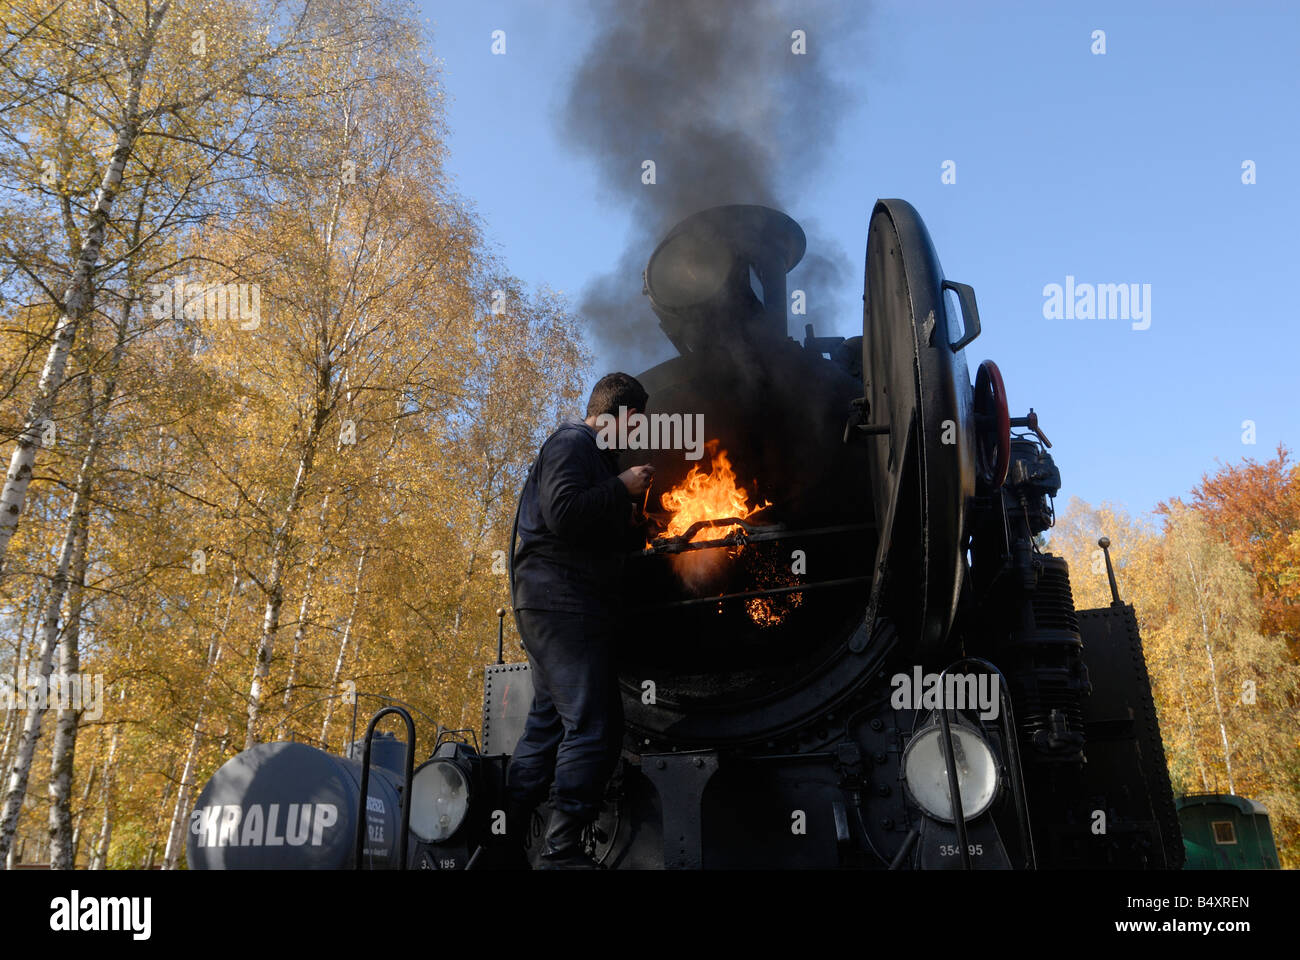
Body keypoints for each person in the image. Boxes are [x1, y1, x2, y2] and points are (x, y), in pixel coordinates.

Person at [503, 372, 654, 869]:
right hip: (561, 603)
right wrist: (620, 487)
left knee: (546, 728)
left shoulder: (591, 456)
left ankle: (501, 841)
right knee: (595, 726)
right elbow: (564, 511)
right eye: (638, 426)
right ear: (623, 415)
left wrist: (630, 523)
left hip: (552, 604)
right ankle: (561, 850)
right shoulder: (573, 442)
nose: (637, 438)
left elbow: (584, 527)